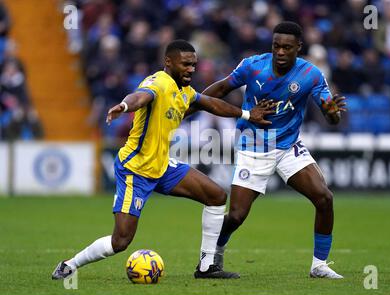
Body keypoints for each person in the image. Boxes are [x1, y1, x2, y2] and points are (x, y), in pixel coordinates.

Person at [51, 39, 275, 280]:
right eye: (186, 64)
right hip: (135, 169)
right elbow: (141, 96)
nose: (191, 69)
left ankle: (206, 267)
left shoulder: (185, 91)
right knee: (121, 240)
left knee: (216, 196)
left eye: (194, 65)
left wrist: (246, 114)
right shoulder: (158, 82)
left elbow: (211, 104)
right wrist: (125, 105)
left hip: (163, 165)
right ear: (168, 62)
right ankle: (69, 265)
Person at [189, 21, 347, 279]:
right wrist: (192, 104)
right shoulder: (253, 66)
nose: (281, 52)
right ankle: (213, 255)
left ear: (299, 47)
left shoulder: (312, 75)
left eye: (287, 47)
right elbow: (221, 88)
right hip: (253, 146)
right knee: (237, 216)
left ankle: (319, 265)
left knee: (324, 198)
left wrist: (333, 116)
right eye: (276, 46)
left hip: (288, 146)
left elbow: (331, 114)